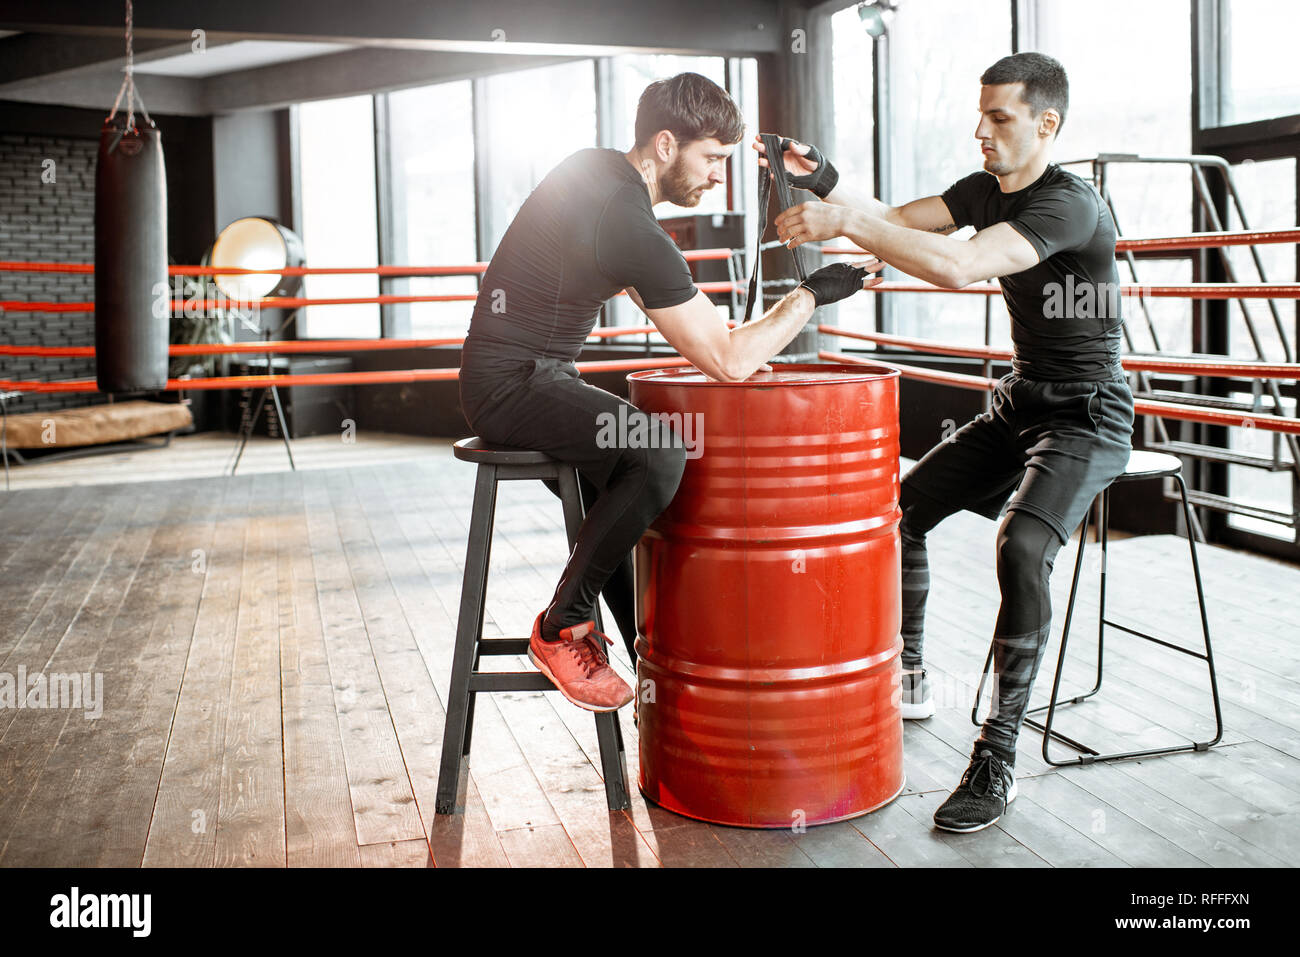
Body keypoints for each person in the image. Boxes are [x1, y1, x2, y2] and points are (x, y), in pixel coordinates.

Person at [761, 51, 1134, 831]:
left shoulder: (1071, 205)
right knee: (903, 510)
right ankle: (913, 672)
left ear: (1046, 124)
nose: (981, 132)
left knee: (1021, 547)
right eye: (981, 114)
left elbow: (962, 268)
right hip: (1021, 401)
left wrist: (847, 221)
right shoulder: (984, 191)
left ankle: (996, 758)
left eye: (999, 118)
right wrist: (828, 182)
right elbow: (899, 223)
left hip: (1088, 413)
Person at [459, 72, 882, 714]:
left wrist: (735, 338)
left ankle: (647, 658)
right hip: (515, 386)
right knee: (656, 452)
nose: (718, 176)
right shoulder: (628, 223)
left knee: (622, 490)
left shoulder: (594, 173)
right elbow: (729, 359)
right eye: (711, 158)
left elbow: (696, 324)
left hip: (525, 377)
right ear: (664, 144)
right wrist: (813, 295)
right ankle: (559, 628)